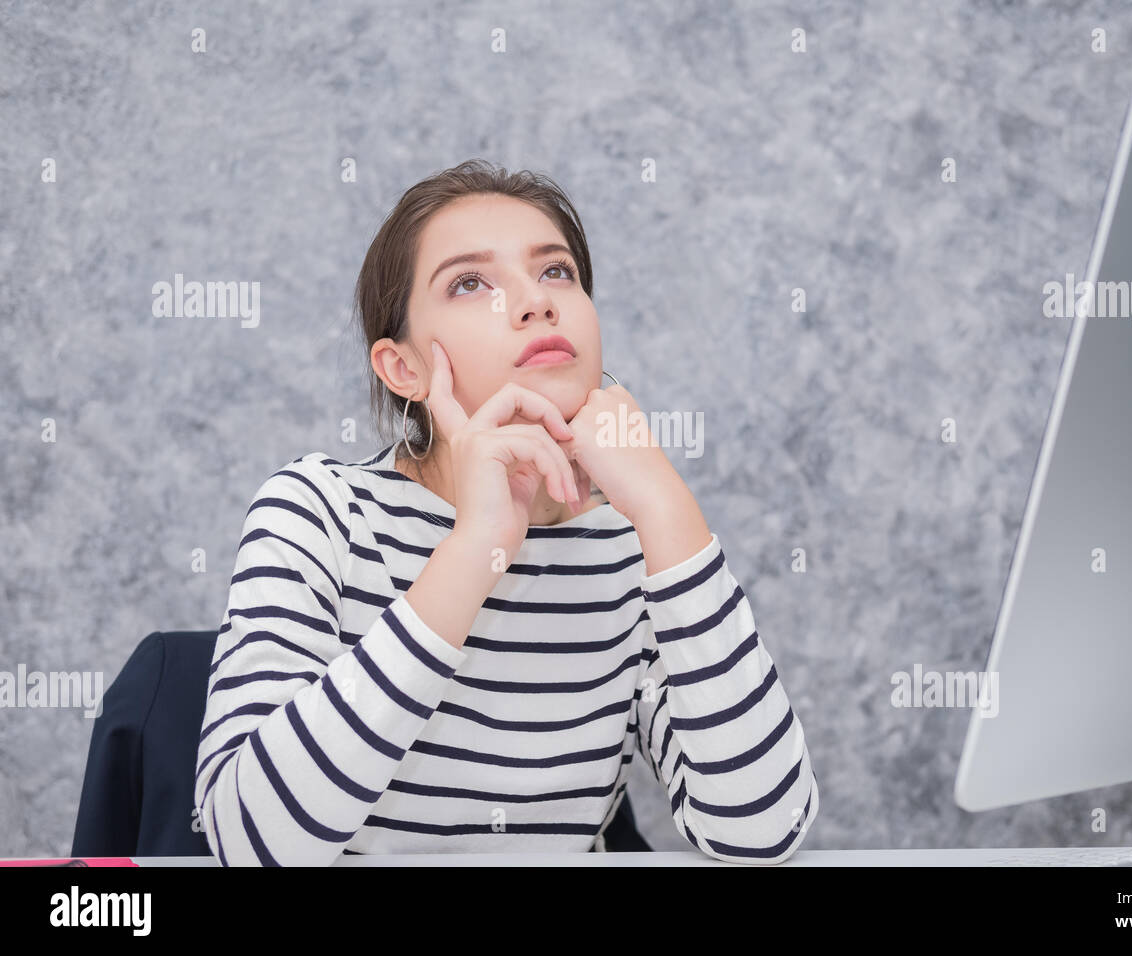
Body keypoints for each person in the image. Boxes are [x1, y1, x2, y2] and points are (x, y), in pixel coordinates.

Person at [193, 159, 819, 865]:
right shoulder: (319, 512)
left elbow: (761, 829)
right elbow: (248, 842)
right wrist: (477, 545)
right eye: (470, 283)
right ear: (404, 370)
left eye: (556, 272)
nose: (535, 302)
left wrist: (667, 507)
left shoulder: (632, 548)